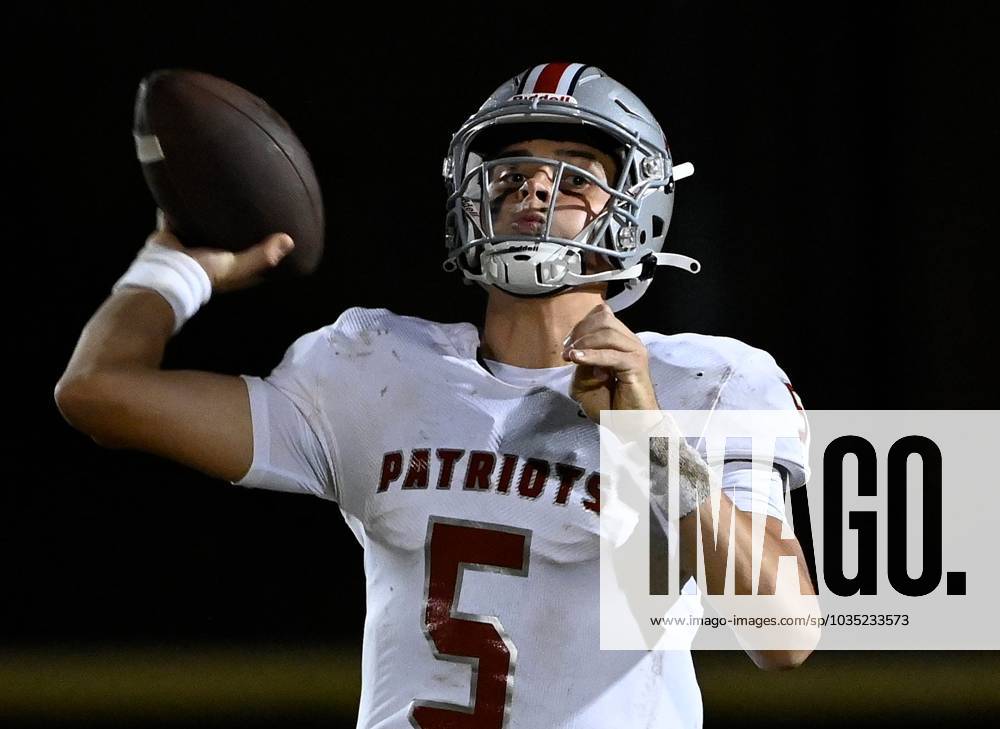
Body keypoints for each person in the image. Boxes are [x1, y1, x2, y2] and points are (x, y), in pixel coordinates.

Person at [55, 62, 816, 728]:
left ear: (638, 207)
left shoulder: (705, 384)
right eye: (511, 169)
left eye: (576, 171)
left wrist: (647, 437)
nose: (535, 185)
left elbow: (783, 633)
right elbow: (98, 391)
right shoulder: (373, 366)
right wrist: (174, 266)